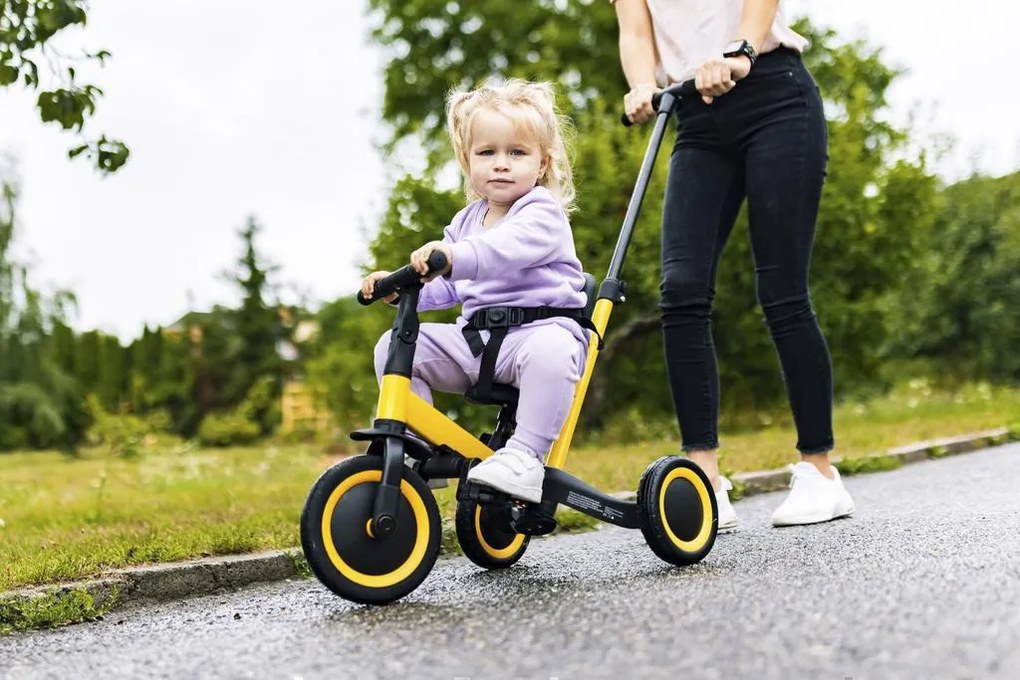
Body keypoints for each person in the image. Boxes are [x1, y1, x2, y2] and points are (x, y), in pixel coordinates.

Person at [611, 0, 855, 529]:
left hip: (773, 95)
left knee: (782, 290)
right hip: (696, 119)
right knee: (680, 290)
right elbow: (635, 30)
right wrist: (639, 84)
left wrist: (740, 50)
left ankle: (820, 471)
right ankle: (705, 480)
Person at [362, 79, 589, 504]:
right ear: (468, 161)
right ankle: (416, 445)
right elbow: (448, 284)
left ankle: (525, 456)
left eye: (516, 153)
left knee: (553, 351)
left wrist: (451, 255)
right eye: (487, 153)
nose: (501, 164)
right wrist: (401, 288)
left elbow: (498, 252)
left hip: (535, 336)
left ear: (542, 164)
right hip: (477, 343)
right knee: (396, 345)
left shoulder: (542, 212)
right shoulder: (466, 221)